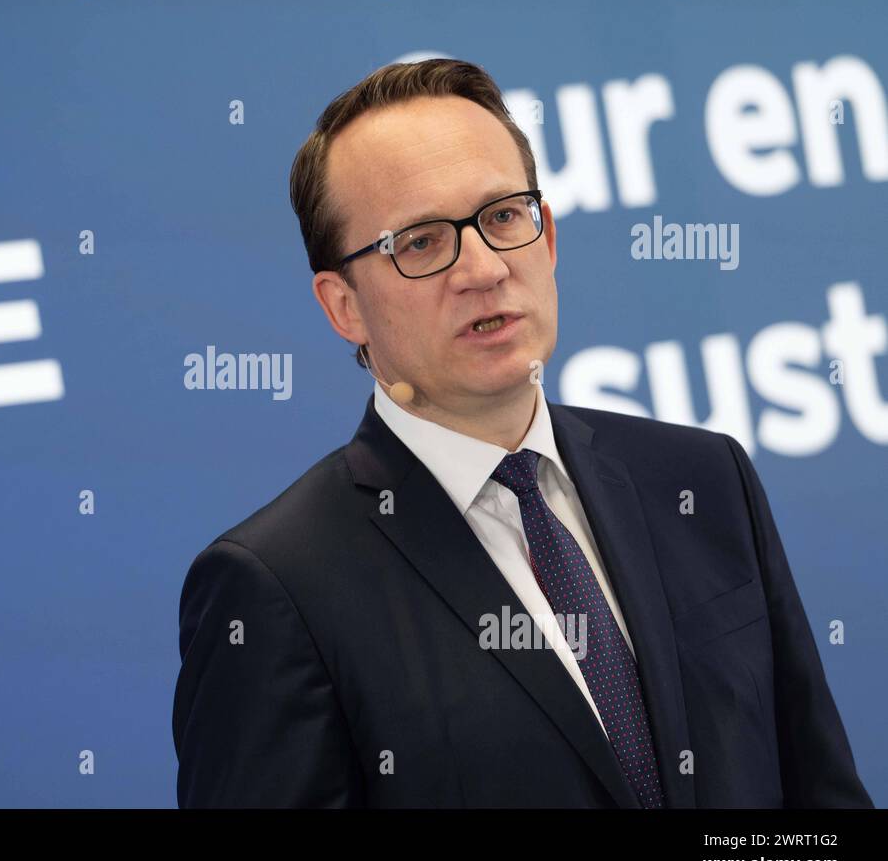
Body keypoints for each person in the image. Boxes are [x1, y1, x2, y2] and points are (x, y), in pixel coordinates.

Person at [171, 58, 873, 808]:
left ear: (548, 241)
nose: (481, 268)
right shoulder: (275, 587)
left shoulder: (703, 480)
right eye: (420, 242)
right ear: (343, 307)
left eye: (503, 217)